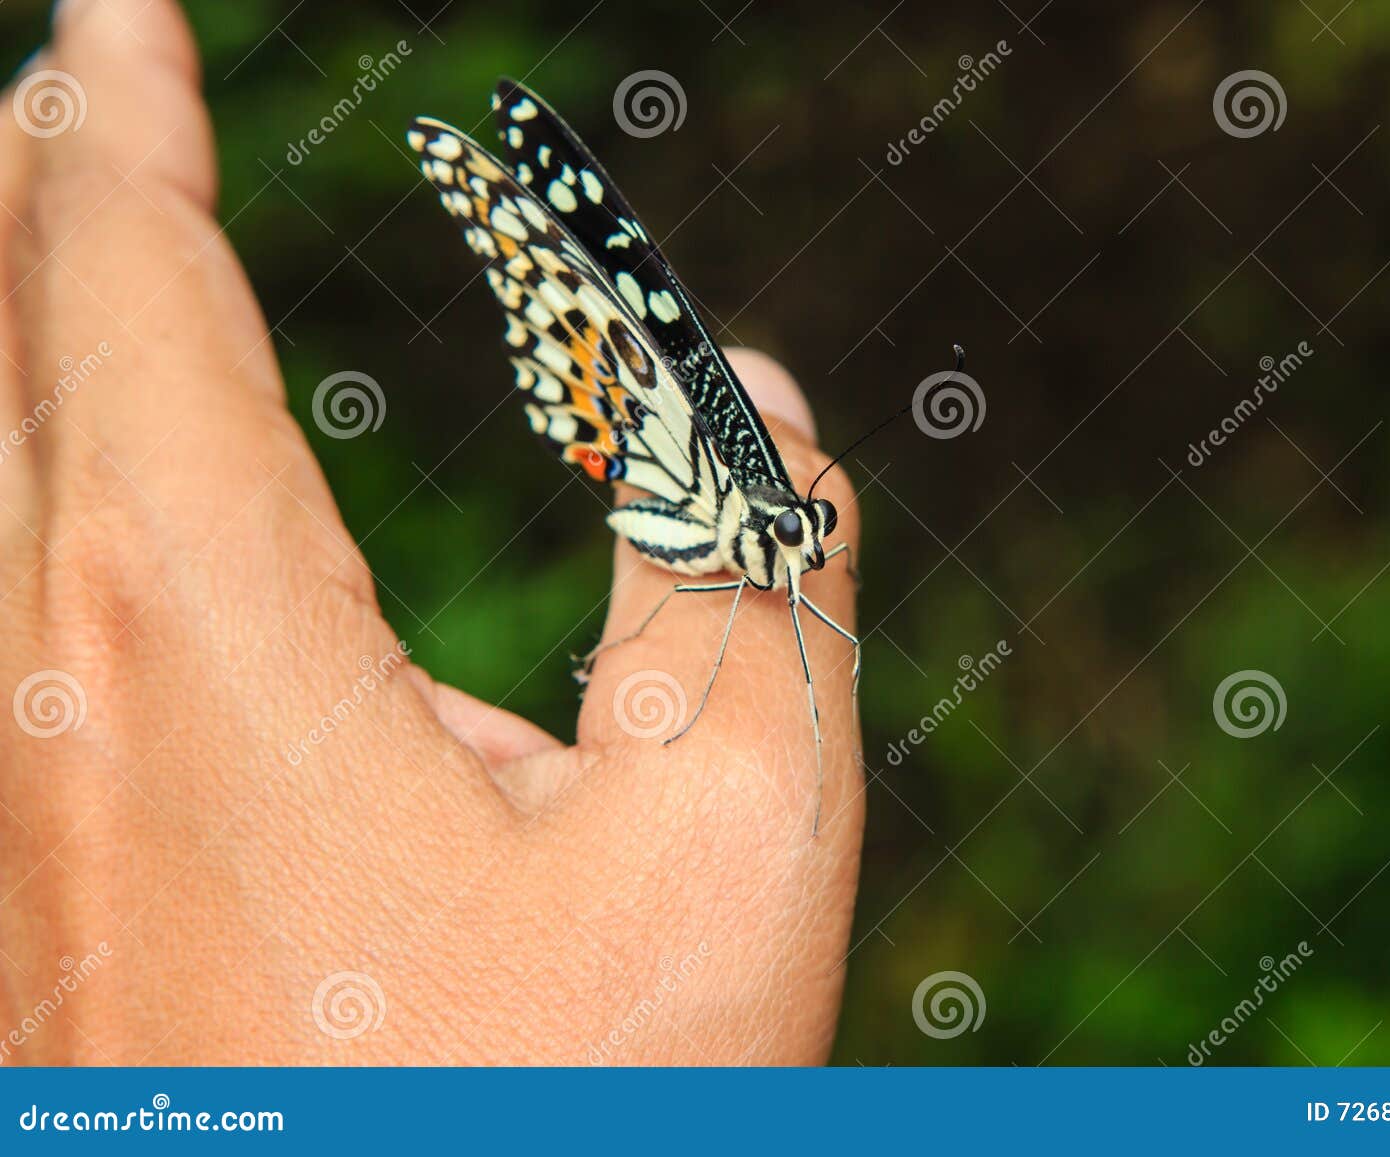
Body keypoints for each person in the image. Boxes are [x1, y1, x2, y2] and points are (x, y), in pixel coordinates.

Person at [0, 0, 862, 1064]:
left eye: (812, 533)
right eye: (807, 531)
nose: (816, 547)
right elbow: (650, 307)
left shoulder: (771, 535)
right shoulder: (751, 498)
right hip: (646, 444)